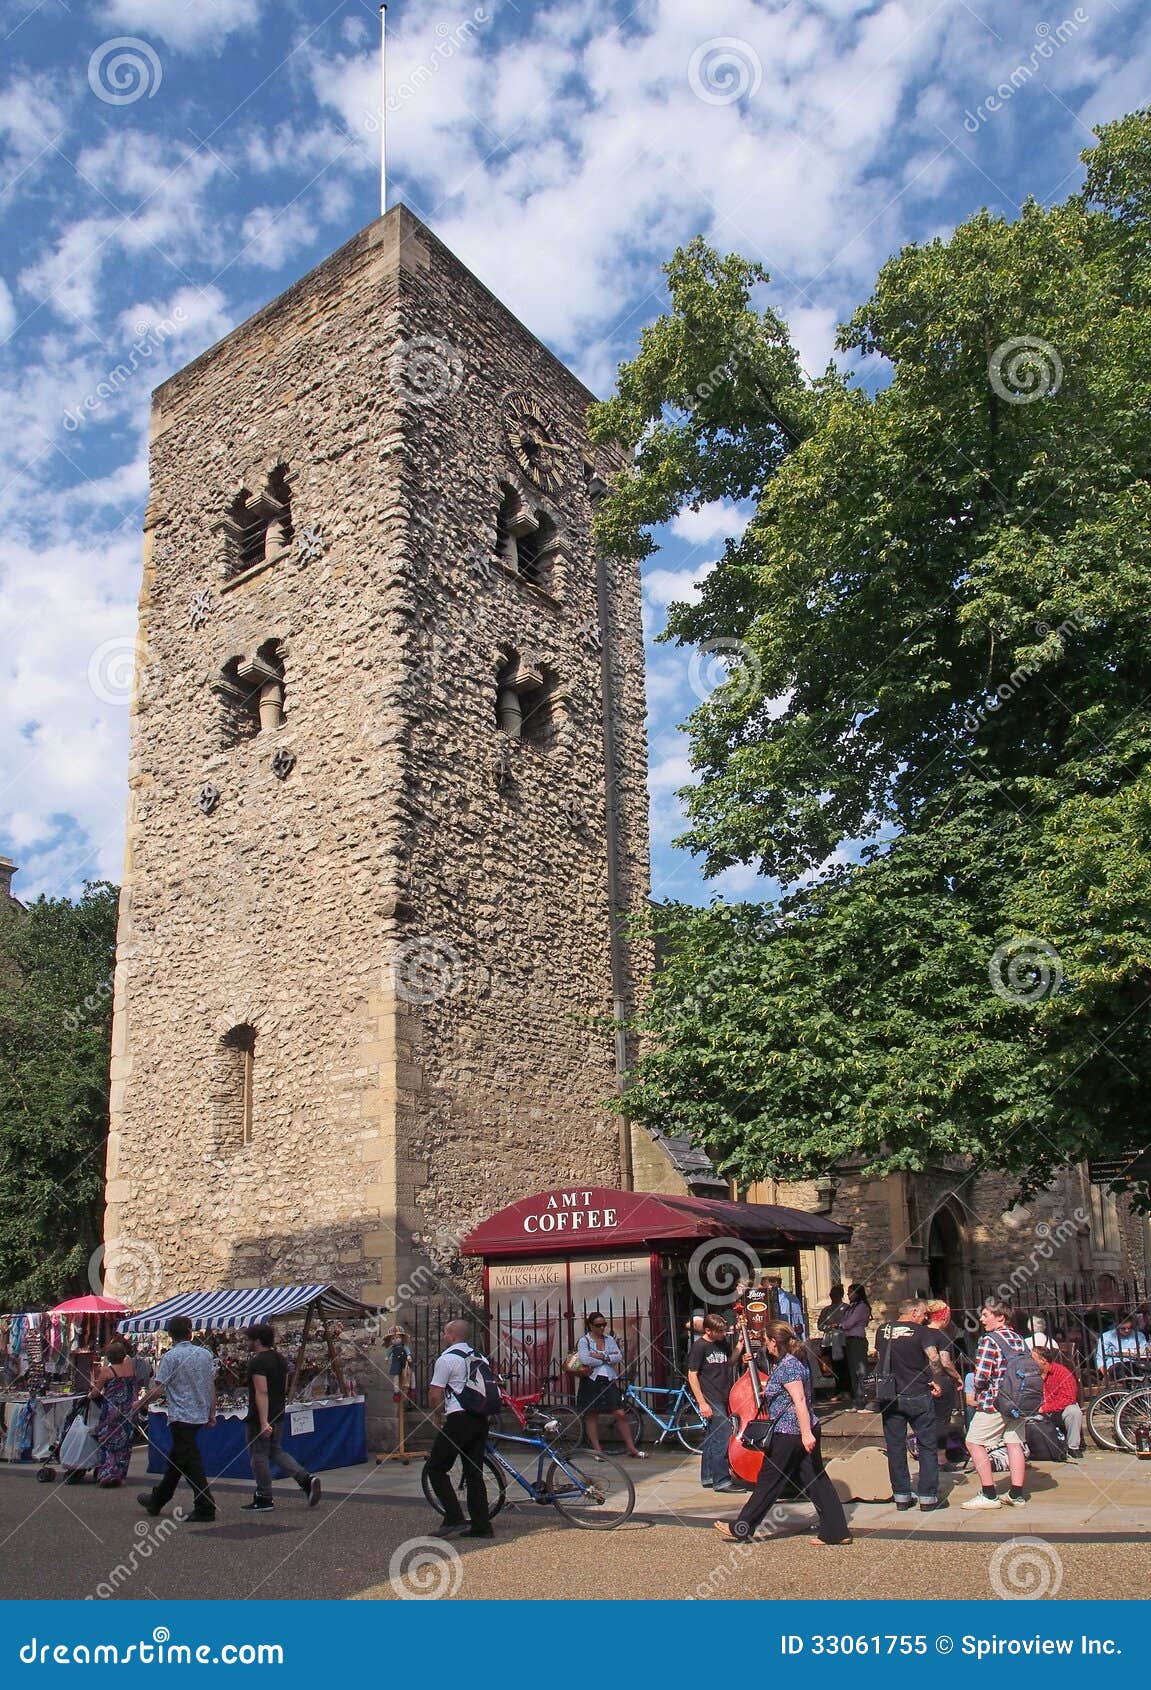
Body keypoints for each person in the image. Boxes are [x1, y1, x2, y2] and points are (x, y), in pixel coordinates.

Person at [713, 1320, 851, 1546]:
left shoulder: (788, 1365)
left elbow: (799, 1400)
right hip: (798, 1430)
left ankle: (742, 1527)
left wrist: (806, 1433)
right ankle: (836, 1531)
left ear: (775, 1342)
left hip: (791, 1432)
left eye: (766, 1342)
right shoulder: (792, 1361)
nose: (765, 1346)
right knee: (816, 1480)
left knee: (769, 1481)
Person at [136, 1315, 218, 1522]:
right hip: (198, 1413)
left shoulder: (171, 1357)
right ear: (189, 1332)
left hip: (182, 1416)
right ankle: (158, 1499)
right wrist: (211, 1413)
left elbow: (159, 1388)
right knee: (178, 1460)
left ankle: (205, 1506)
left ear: (170, 1335)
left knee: (191, 1462)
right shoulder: (204, 1354)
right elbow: (210, 1385)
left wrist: (139, 1403)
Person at [875, 1299, 948, 1512]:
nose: (926, 1317)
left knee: (895, 1446)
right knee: (927, 1445)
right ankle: (927, 1496)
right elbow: (934, 1358)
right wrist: (936, 1378)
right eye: (924, 1313)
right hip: (918, 1392)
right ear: (914, 1313)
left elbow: (880, 1359)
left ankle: (902, 1496)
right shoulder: (921, 1332)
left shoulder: (882, 1330)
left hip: (890, 1395)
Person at [424, 1318, 494, 1538]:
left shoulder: (446, 1359)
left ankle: (454, 1517)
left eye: (445, 1333)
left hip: (459, 1417)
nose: (444, 1336)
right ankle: (481, 1526)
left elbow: (435, 1393)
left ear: (452, 1335)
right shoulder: (480, 1357)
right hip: (480, 1417)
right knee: (474, 1472)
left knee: (435, 1467)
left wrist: (437, 1416)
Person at [242, 1324, 322, 1513]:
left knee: (258, 1456)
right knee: (276, 1451)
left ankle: (264, 1496)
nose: (246, 1343)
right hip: (278, 1413)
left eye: (248, 1339)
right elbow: (283, 1387)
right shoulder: (281, 1360)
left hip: (262, 1416)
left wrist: (263, 1421)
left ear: (258, 1341)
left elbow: (261, 1391)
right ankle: (306, 1479)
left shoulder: (257, 1362)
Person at [963, 1299, 1029, 1510]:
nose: (981, 1320)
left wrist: (977, 1390)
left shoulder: (989, 1340)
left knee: (973, 1442)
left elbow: (981, 1376)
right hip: (1019, 1400)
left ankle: (989, 1494)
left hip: (995, 1401)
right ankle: (1016, 1494)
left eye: (985, 1315)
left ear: (1001, 1316)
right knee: (1014, 1443)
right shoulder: (1019, 1339)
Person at [575, 1313, 645, 1460]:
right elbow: (585, 1358)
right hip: (592, 1379)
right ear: (590, 1326)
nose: (602, 1328)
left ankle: (631, 1448)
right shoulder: (584, 1341)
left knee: (620, 1413)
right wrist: (606, 1357)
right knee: (592, 1414)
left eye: (604, 1325)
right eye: (598, 1325)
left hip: (609, 1379)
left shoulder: (610, 1339)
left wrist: (601, 1356)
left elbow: (618, 1356)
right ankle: (597, 1450)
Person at [686, 1314, 735, 1492]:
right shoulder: (699, 1347)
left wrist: (739, 1349)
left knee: (712, 1437)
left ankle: (708, 1476)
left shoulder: (722, 1343)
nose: (724, 1334)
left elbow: (728, 1363)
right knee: (722, 1436)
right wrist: (702, 1402)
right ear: (708, 1331)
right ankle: (721, 1479)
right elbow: (692, 1374)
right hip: (710, 1396)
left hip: (723, 1393)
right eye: (719, 1331)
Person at [89, 1340, 141, 1489]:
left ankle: (109, 1474)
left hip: (112, 1410)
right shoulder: (130, 1368)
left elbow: (96, 1392)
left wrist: (90, 1395)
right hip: (129, 1409)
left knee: (107, 1442)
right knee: (125, 1443)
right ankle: (121, 1474)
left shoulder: (106, 1371)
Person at [924, 1299, 965, 1470]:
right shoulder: (941, 1335)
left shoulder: (920, 1332)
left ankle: (926, 1456)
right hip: (940, 1379)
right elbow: (945, 1361)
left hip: (922, 1381)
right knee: (941, 1420)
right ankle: (941, 1459)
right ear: (945, 1316)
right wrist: (957, 1377)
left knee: (926, 1420)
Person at [1033, 1349, 1084, 1458]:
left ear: (1043, 1360)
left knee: (1074, 1411)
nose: (1029, 1361)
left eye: (1033, 1359)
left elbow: (1068, 1398)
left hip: (1056, 1411)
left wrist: (1046, 1408)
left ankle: (1073, 1447)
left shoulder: (1061, 1372)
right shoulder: (1030, 1373)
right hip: (1036, 1410)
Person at [840, 1283, 872, 1409]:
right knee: (853, 1372)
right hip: (849, 1340)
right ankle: (858, 1400)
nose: (848, 1295)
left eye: (850, 1292)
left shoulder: (862, 1307)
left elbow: (849, 1323)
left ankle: (865, 1399)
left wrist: (840, 1326)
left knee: (861, 1371)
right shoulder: (851, 1307)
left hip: (857, 1340)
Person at [817, 1284, 849, 1395]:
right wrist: (829, 1327)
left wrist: (839, 1326)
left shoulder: (846, 1308)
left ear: (840, 1295)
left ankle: (846, 1390)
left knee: (844, 1365)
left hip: (842, 1340)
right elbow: (820, 1325)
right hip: (829, 1340)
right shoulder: (826, 1310)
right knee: (833, 1366)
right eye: (831, 1295)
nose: (833, 1297)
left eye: (835, 1295)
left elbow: (848, 1324)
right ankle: (838, 1389)